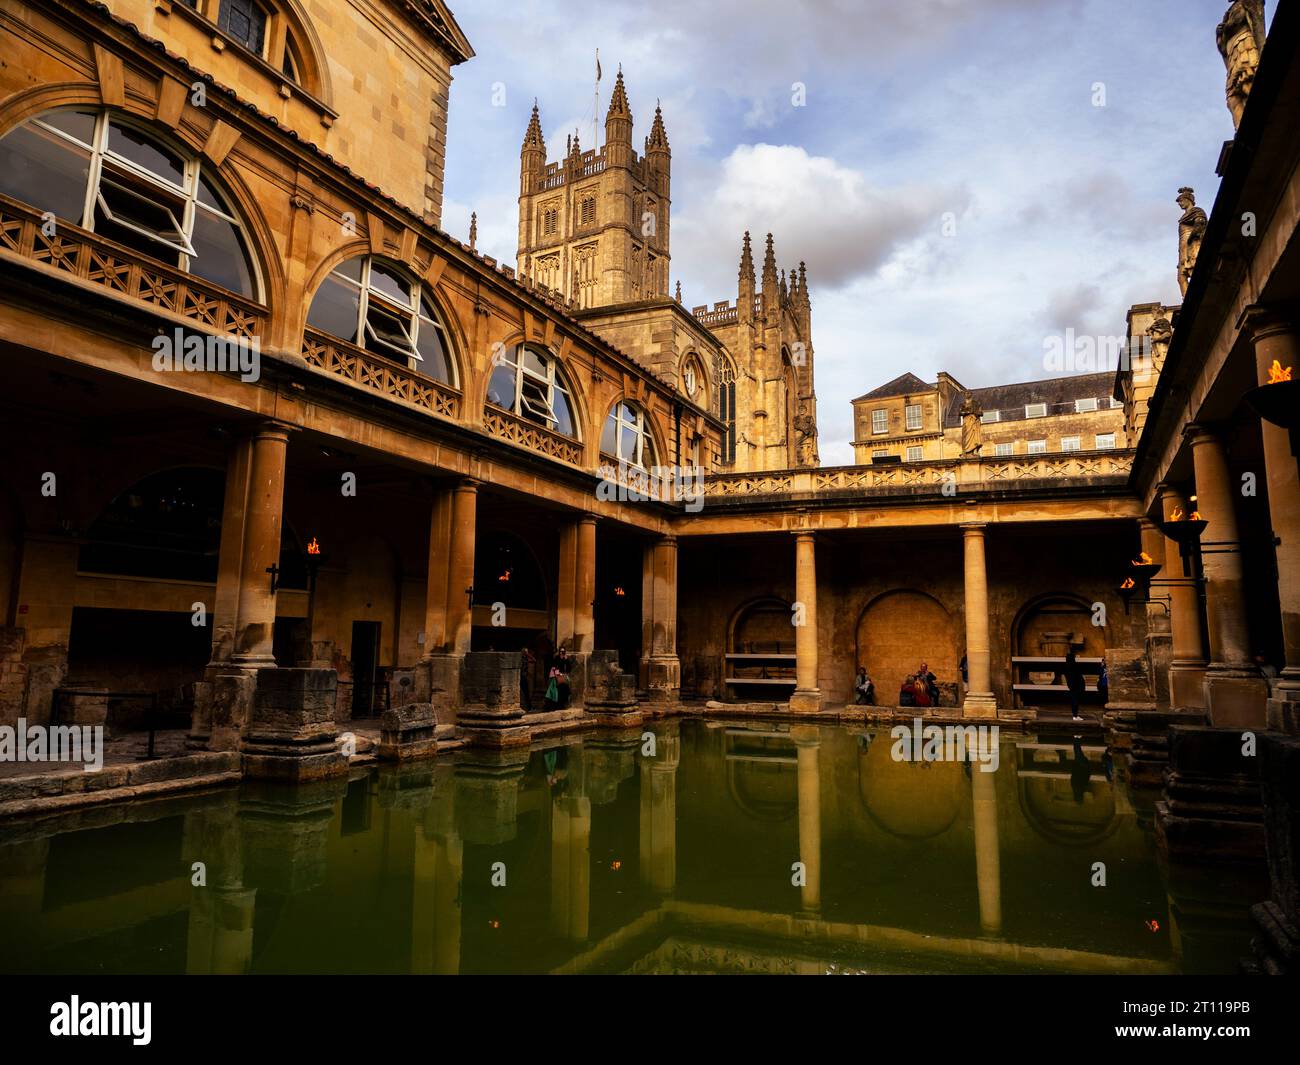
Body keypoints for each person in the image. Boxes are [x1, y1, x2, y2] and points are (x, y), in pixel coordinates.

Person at [1063, 649, 1086, 722]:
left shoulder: (1067, 666)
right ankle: (1075, 716)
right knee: (1075, 701)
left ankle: (1075, 715)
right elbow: (1077, 677)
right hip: (1075, 686)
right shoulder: (1073, 666)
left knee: (1074, 700)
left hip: (1073, 686)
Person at [520, 647, 536, 713]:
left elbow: (534, 660)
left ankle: (528, 707)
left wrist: (528, 655)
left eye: (527, 652)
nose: (527, 653)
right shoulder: (521, 659)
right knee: (525, 693)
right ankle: (528, 707)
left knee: (526, 693)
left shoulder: (526, 658)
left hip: (524, 677)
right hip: (522, 677)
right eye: (525, 652)